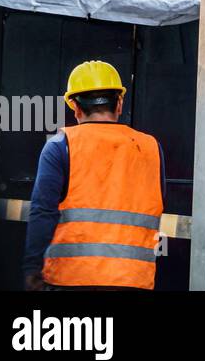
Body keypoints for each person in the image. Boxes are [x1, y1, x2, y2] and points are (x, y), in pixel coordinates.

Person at [24, 60, 165, 291]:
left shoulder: (61, 145)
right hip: (134, 281)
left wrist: (31, 268)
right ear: (119, 104)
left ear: (76, 108)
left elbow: (42, 212)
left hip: (70, 280)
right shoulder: (151, 147)